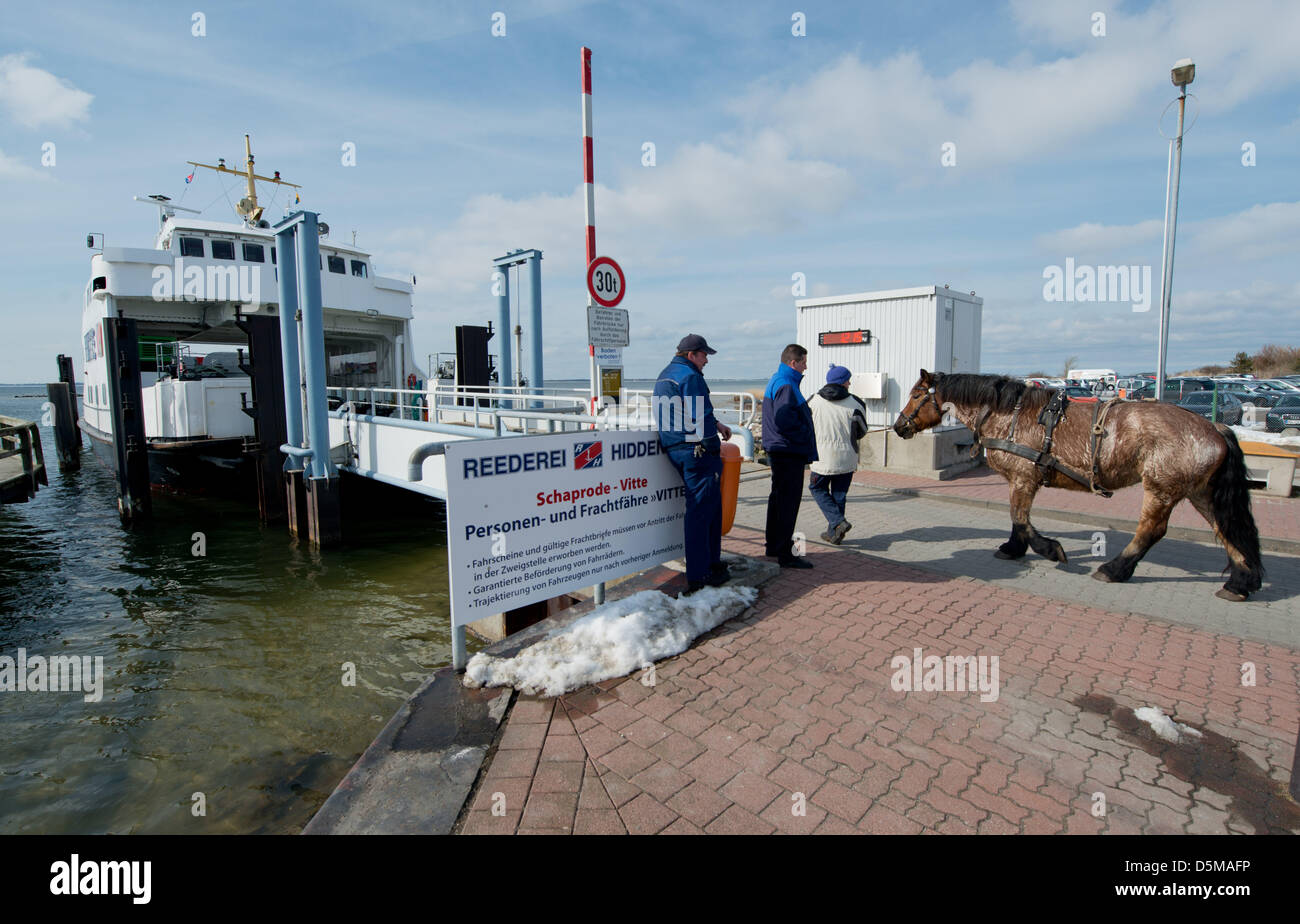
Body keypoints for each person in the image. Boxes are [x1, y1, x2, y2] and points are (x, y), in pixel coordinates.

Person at [653, 334, 733, 595]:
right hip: (695, 451)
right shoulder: (690, 376)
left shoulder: (666, 375)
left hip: (675, 447)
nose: (706, 360)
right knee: (701, 511)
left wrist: (717, 422)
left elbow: (686, 411)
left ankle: (711, 563)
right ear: (691, 355)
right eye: (704, 355)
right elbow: (699, 416)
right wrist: (712, 444)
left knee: (708, 507)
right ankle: (700, 574)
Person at [762, 344, 817, 568]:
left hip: (779, 449)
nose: (806, 366)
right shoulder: (787, 384)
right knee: (788, 503)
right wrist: (805, 433)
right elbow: (784, 419)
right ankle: (786, 553)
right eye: (803, 361)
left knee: (778, 500)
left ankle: (774, 546)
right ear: (793, 363)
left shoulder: (779, 379)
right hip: (788, 451)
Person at [807, 364, 867, 545]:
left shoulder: (813, 401)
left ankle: (837, 524)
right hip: (847, 457)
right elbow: (862, 430)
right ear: (843, 382)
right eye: (848, 379)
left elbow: (806, 427)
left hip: (821, 457)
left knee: (817, 488)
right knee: (839, 495)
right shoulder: (856, 403)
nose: (850, 383)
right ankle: (835, 531)